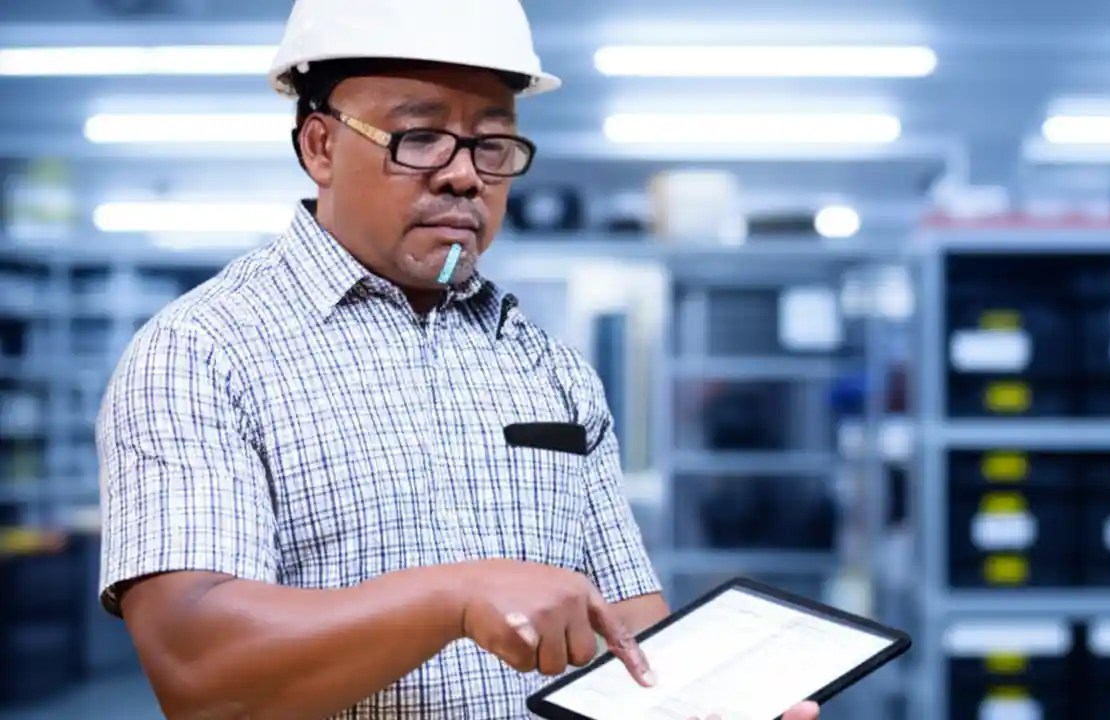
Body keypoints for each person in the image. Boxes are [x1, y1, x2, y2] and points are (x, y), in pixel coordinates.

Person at [94, 1, 823, 719]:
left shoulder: (550, 370)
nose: (464, 176)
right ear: (319, 146)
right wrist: (453, 598)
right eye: (418, 138)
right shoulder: (204, 352)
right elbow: (200, 674)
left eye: (491, 145)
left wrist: (705, 707)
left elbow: (629, 631)